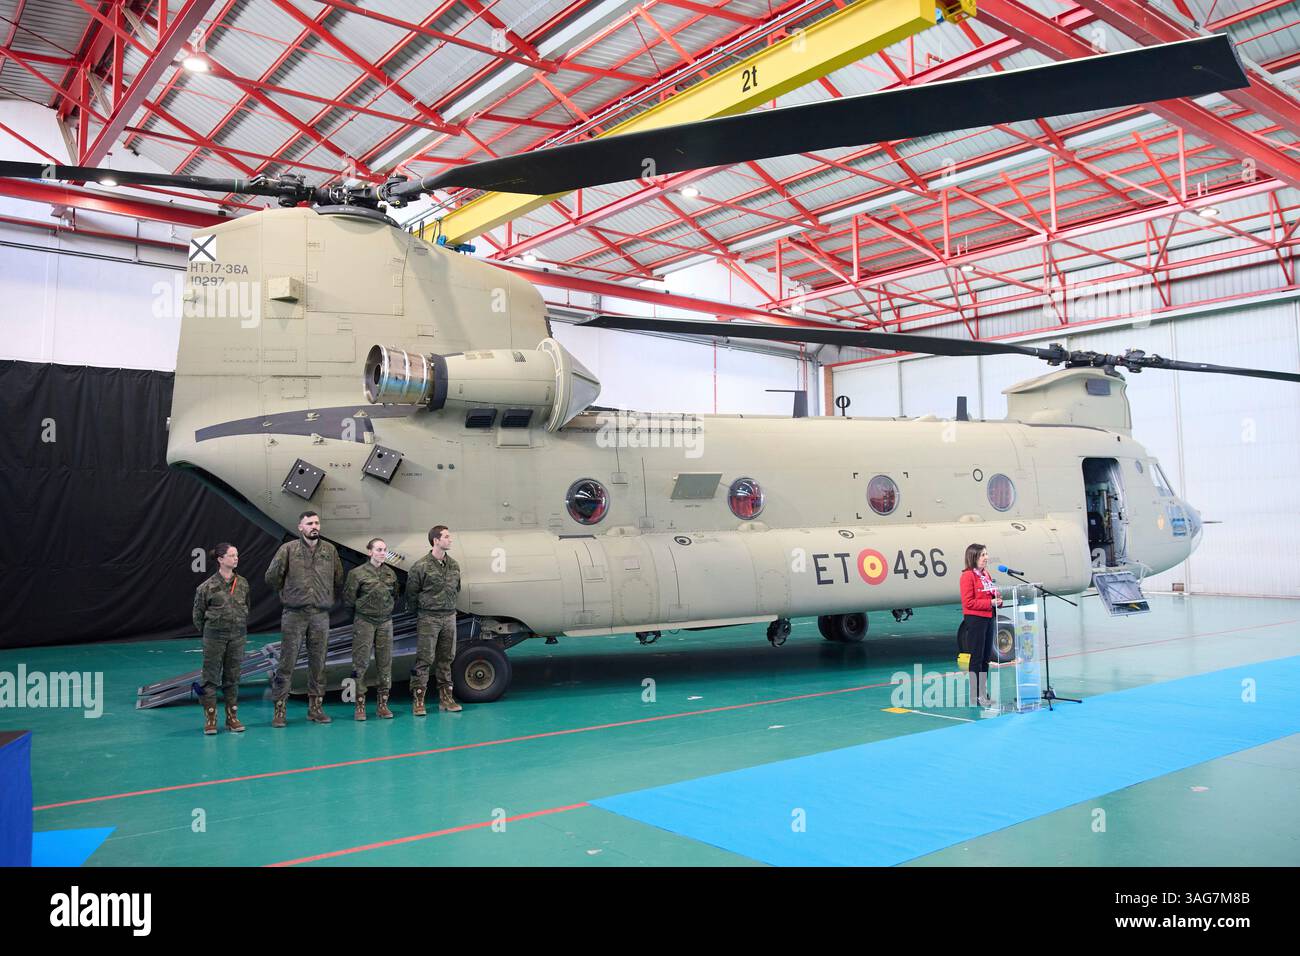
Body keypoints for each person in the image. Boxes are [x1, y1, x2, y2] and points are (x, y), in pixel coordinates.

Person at [265, 510, 344, 727]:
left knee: (318, 664)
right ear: (300, 527)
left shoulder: (330, 550)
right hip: (294, 614)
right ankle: (280, 710)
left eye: (317, 522)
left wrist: (324, 596)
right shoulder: (288, 550)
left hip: (320, 615)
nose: (314, 526)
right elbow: (272, 577)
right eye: (309, 523)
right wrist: (290, 594)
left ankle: (315, 709)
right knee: (286, 663)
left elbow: (338, 578)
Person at [193, 543, 251, 735]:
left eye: (237, 555)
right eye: (231, 555)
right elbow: (198, 615)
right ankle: (211, 718)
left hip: (237, 638)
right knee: (210, 678)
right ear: (220, 559)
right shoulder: (206, 587)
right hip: (214, 639)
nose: (236, 558)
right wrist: (212, 632)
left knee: (232, 677)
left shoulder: (242, 583)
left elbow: (247, 606)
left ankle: (232, 717)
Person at [404, 525, 462, 715]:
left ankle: (446, 698)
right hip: (429, 617)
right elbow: (411, 594)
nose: (450, 539)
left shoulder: (454, 565)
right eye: (446, 536)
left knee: (446, 659)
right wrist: (422, 612)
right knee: (425, 659)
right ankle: (418, 699)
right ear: (436, 540)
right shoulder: (421, 566)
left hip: (449, 616)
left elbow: (456, 589)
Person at [343, 537, 401, 721]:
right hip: (364, 622)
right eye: (378, 549)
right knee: (360, 663)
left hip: (385, 622)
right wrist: (361, 614)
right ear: (369, 552)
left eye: (384, 550)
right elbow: (348, 599)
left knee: (385, 663)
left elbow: (395, 596)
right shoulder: (357, 574)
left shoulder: (391, 574)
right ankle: (359, 704)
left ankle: (382, 704)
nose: (382, 553)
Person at [958, 542, 1002, 707]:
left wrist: (997, 600)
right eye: (982, 555)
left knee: (985, 658)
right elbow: (968, 602)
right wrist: (990, 603)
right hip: (976, 619)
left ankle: (983, 692)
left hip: (989, 617)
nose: (986, 558)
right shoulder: (968, 576)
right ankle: (976, 694)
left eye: (986, 554)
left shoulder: (985, 575)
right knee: (976, 658)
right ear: (973, 557)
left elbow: (990, 595)